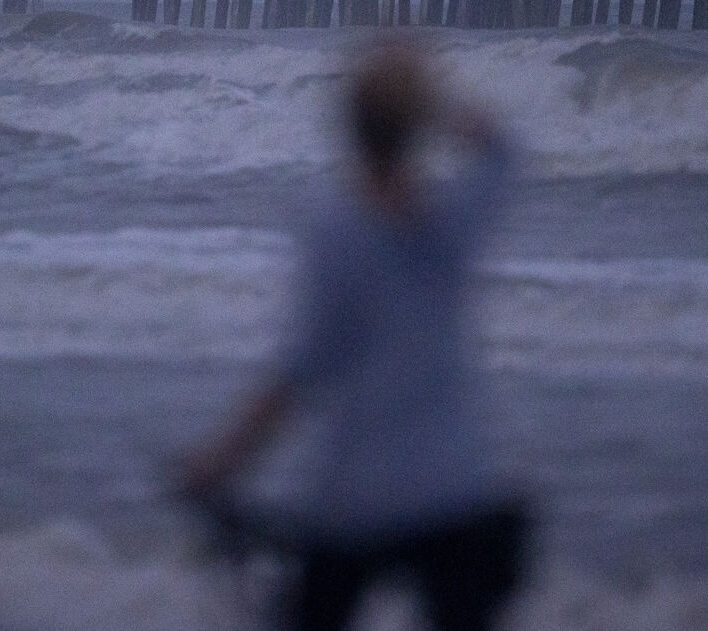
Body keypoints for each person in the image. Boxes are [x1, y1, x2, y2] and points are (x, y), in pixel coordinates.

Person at [182, 45, 528, 631]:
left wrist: (219, 461)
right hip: (455, 491)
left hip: (353, 497)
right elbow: (503, 152)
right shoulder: (452, 223)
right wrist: (428, 102)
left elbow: (301, 368)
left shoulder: (333, 226)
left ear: (349, 127)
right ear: (415, 128)